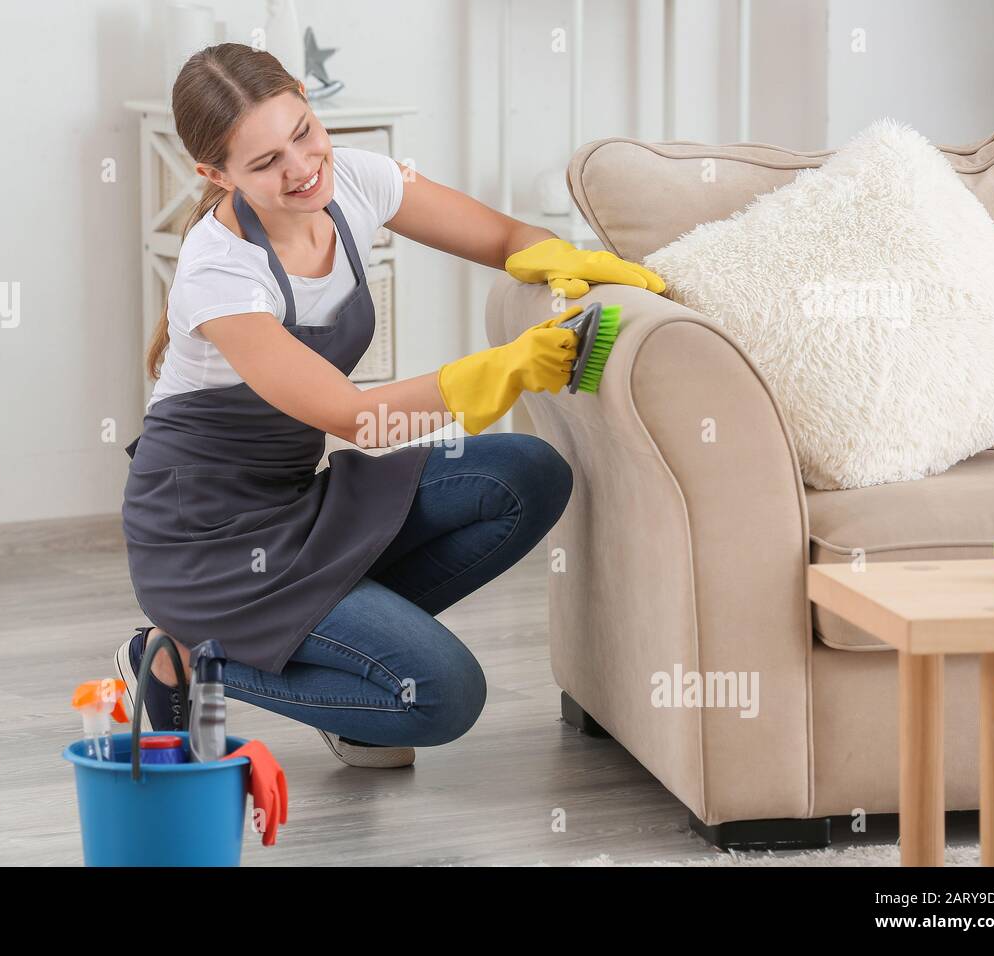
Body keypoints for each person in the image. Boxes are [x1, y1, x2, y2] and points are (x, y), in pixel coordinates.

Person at [115, 43, 665, 768]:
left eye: (302, 133)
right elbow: (354, 418)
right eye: (265, 163)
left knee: (528, 474)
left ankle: (349, 673)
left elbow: (501, 237)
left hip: (294, 504)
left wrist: (555, 257)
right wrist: (502, 372)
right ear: (215, 175)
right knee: (441, 695)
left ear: (311, 105)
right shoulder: (221, 274)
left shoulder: (358, 184)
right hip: (208, 544)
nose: (302, 168)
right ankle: (178, 657)